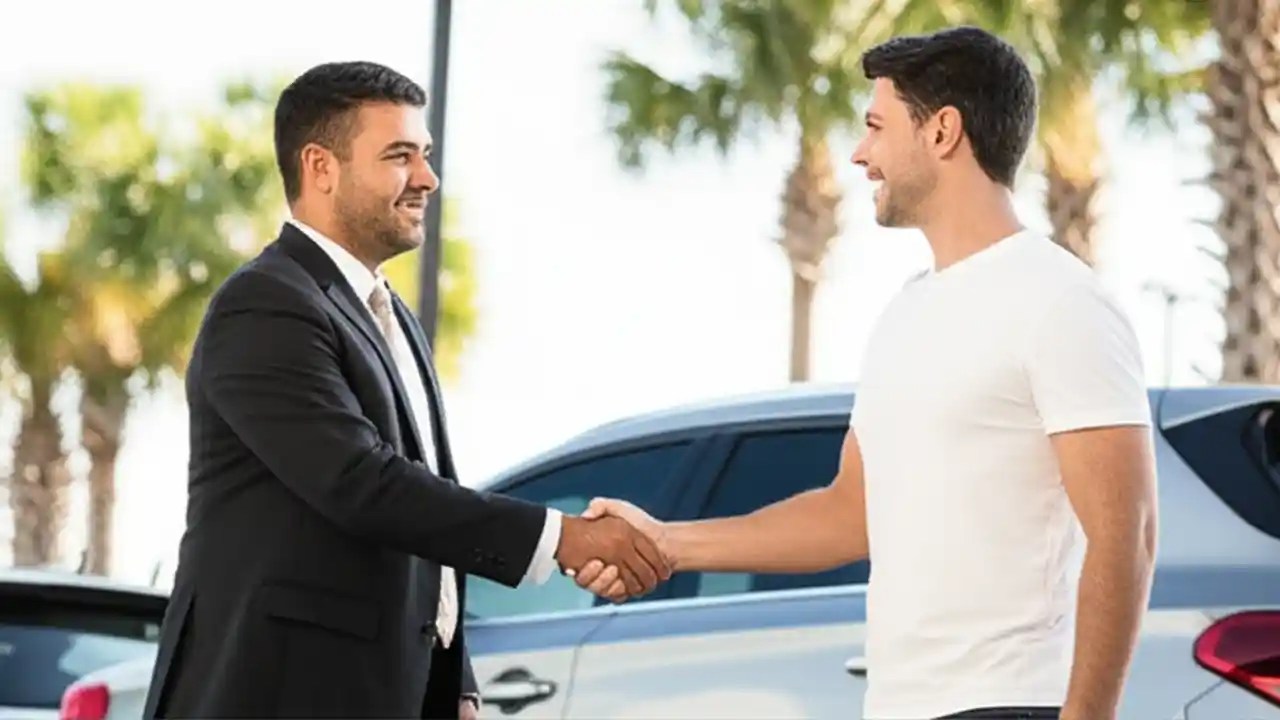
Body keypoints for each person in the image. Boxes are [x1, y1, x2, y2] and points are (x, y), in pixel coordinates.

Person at [577, 26, 1158, 720]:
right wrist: (666, 542)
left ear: (943, 131)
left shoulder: (1061, 300)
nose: (860, 153)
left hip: (1011, 702)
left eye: (877, 127)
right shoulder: (907, 312)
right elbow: (849, 514)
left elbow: (1129, 532)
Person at [141, 61, 669, 720]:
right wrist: (560, 537)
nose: (427, 178)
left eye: (425, 155)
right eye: (400, 156)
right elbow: (362, 484)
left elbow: (425, 511)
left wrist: (456, 682)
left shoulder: (392, 318)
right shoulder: (265, 306)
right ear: (321, 167)